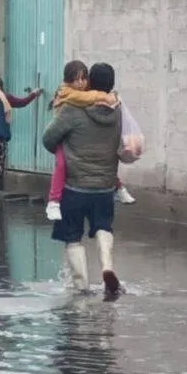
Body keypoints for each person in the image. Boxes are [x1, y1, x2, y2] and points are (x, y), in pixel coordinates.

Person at [42, 62, 124, 300]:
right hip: (105, 187)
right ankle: (107, 266)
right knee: (103, 227)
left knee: (72, 237)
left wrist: (65, 149)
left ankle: (82, 286)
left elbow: (48, 138)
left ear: (89, 82)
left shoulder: (72, 110)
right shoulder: (117, 110)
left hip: (74, 188)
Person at [45, 60, 136, 222]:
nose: (80, 83)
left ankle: (119, 187)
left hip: (78, 185)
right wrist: (108, 96)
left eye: (83, 78)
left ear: (90, 80)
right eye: (76, 79)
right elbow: (87, 97)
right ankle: (53, 201)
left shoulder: (85, 102)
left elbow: (47, 139)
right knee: (61, 165)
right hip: (102, 185)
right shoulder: (71, 95)